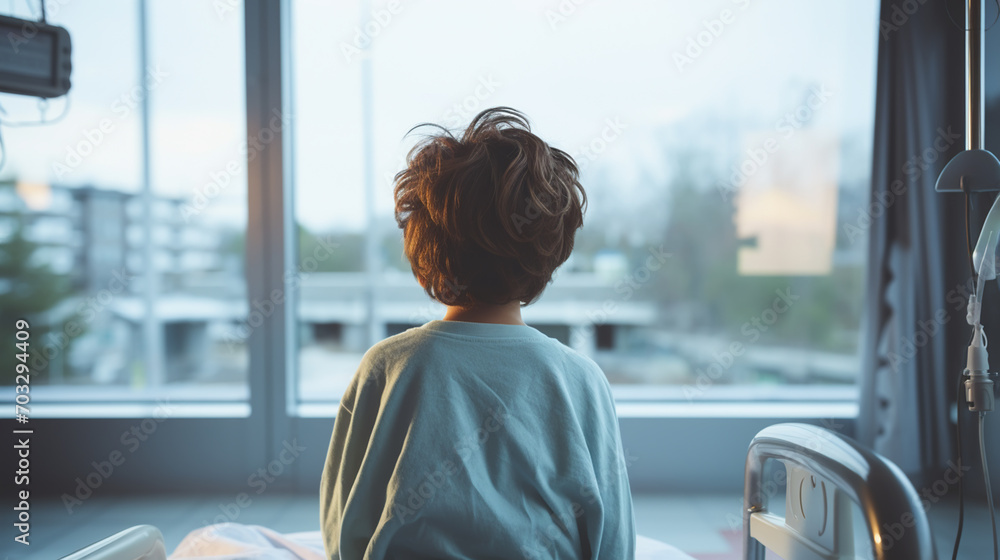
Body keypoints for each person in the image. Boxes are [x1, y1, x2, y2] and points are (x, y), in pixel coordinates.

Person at [320, 107, 636, 559]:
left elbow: (345, 529)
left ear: (422, 248)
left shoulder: (386, 368)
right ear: (551, 251)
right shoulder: (581, 381)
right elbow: (614, 544)